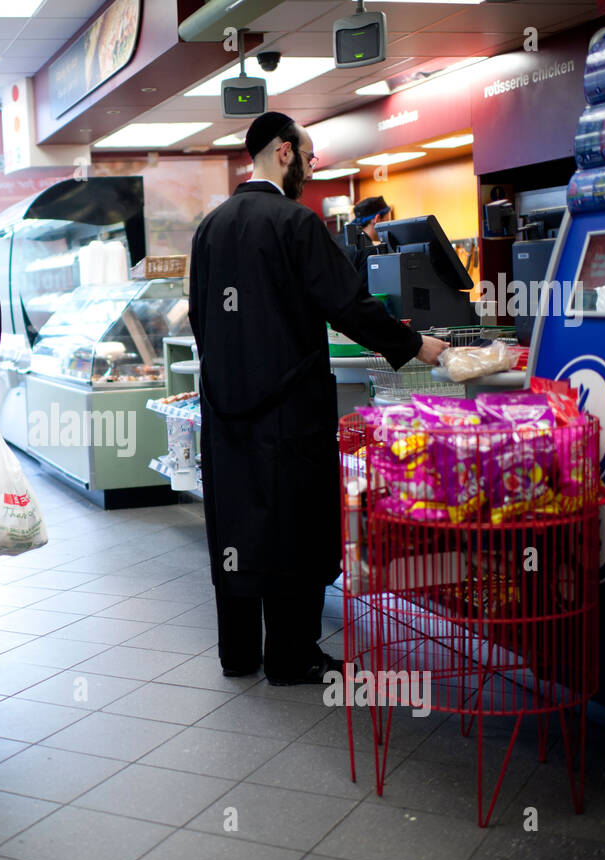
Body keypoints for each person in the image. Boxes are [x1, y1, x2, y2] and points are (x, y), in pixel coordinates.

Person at [188, 111, 448, 686]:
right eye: (306, 156)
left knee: (236, 524)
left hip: (225, 410)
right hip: (290, 407)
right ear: (283, 153)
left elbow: (204, 321)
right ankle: (291, 656)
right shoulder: (296, 224)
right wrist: (418, 346)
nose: (310, 166)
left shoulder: (209, 227)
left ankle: (237, 653)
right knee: (293, 527)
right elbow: (349, 306)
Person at [346, 195, 392, 281]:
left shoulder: (345, 240)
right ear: (377, 219)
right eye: (388, 220)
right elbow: (368, 288)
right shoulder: (368, 250)